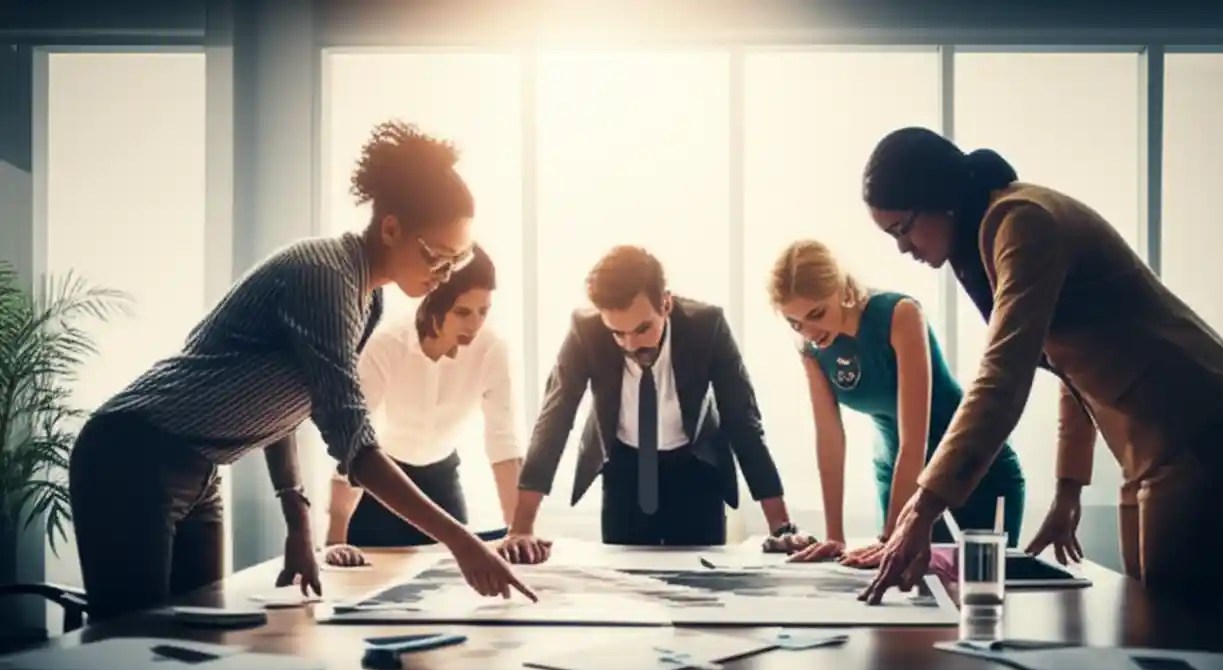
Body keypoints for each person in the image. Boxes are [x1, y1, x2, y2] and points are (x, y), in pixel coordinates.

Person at [68, 120, 533, 621]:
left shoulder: (367, 299)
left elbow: (284, 407)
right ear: (392, 228)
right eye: (437, 256)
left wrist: (297, 523)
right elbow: (353, 441)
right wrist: (462, 543)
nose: (444, 274)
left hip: (201, 469)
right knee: (132, 642)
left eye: (455, 261)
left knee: (195, 638)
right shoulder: (324, 275)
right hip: (133, 452)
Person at [856, 126, 1223, 612]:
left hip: (1197, 422)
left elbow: (1003, 374)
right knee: (1155, 619)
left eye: (902, 228)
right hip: (1154, 438)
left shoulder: (1021, 222)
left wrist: (923, 506)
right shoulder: (992, 231)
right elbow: (1070, 362)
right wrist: (1068, 491)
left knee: (1177, 626)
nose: (903, 247)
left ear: (939, 197)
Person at [496, 245, 815, 562]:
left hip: (696, 471)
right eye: (618, 334)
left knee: (703, 588)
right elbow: (555, 418)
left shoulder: (707, 327)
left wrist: (780, 527)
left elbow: (742, 420)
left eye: (643, 328)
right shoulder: (586, 331)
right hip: (624, 471)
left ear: (666, 303)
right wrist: (521, 527)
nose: (631, 345)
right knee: (628, 588)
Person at [768, 239, 1027, 567]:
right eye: (795, 322)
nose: (809, 330)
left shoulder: (899, 315)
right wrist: (835, 535)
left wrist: (893, 535)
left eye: (816, 313)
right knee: (903, 597)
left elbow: (914, 439)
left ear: (841, 288)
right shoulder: (809, 346)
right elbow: (830, 437)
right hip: (897, 480)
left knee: (977, 597)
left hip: (971, 471)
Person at [323, 245, 524, 567]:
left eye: (483, 311)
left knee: (450, 582)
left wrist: (520, 529)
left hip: (441, 478)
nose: (474, 325)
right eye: (462, 312)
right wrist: (334, 540)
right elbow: (352, 440)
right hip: (379, 483)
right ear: (434, 305)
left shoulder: (492, 349)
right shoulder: (387, 345)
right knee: (365, 589)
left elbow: (503, 442)